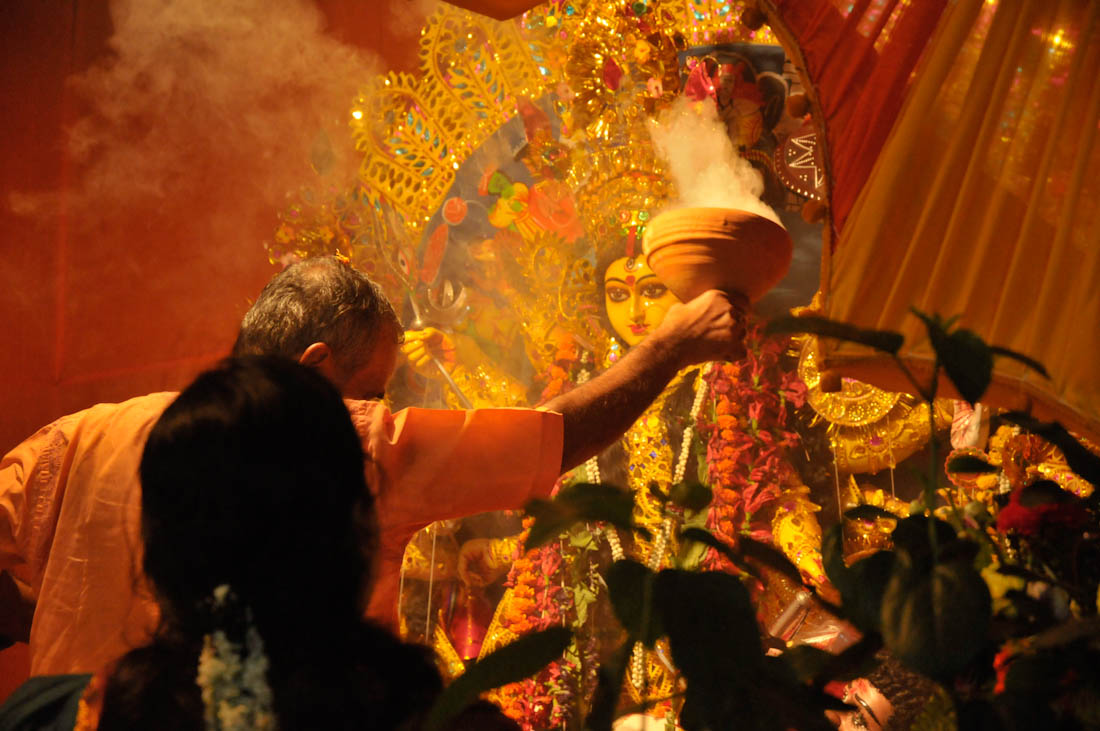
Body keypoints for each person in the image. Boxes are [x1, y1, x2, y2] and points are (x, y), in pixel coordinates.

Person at [0, 255, 746, 678]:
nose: (376, 409)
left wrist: (80, 617)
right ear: (317, 368)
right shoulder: (343, 444)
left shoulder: (79, 437)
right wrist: (670, 347)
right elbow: (550, 436)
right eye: (371, 390)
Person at [0, 357, 518, 730]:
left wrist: (42, 614)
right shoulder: (446, 721)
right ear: (358, 538)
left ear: (158, 557)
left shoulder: (58, 716)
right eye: (374, 393)